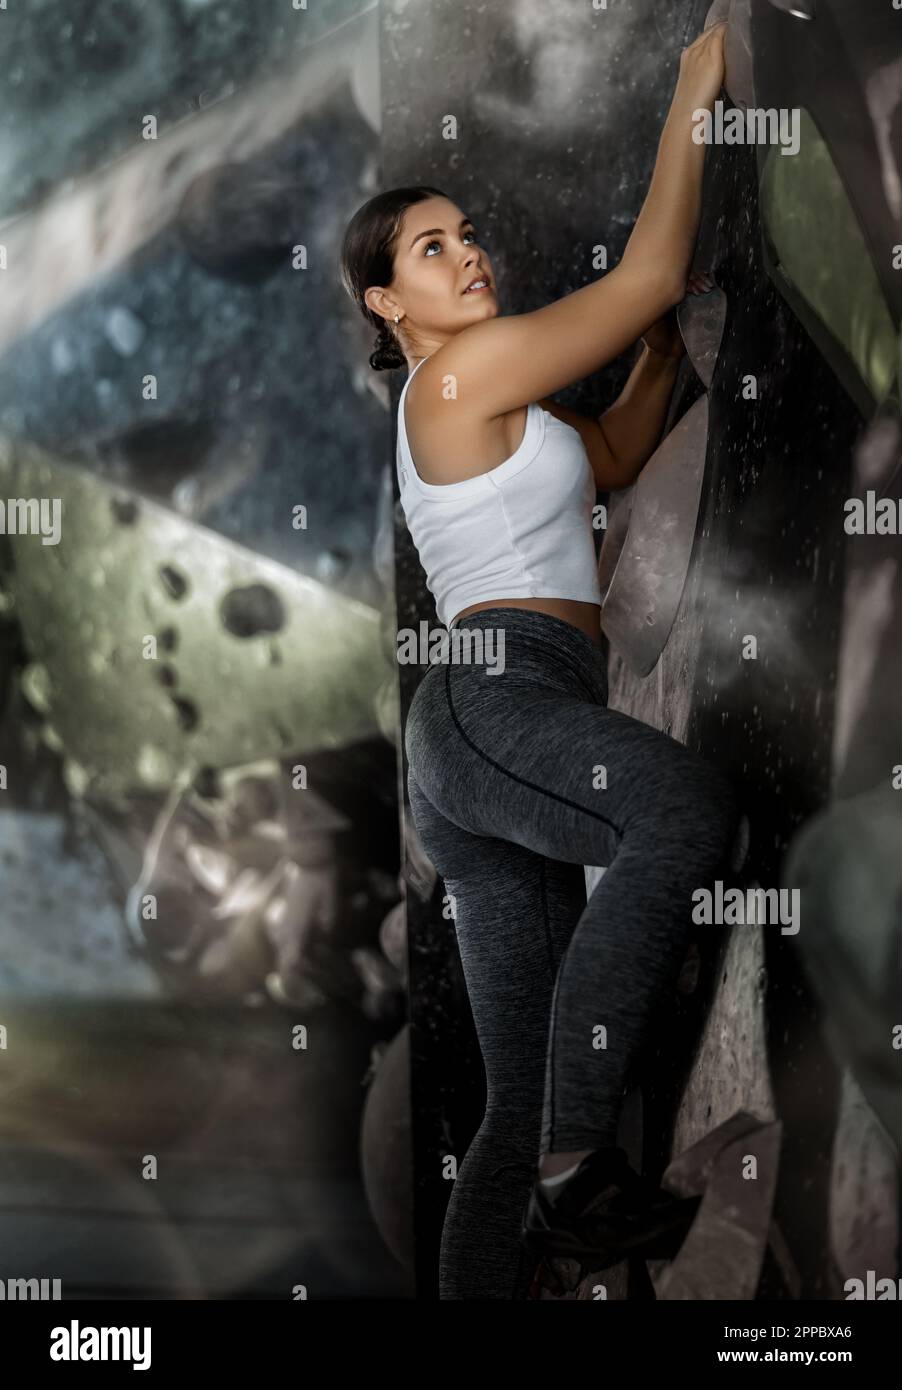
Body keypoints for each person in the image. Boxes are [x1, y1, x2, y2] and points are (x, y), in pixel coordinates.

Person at [341, 21, 739, 1299]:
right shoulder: (455, 377)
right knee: (681, 809)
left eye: (466, 233)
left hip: (489, 727)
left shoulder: (489, 393)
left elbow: (610, 460)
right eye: (430, 247)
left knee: (504, 1112)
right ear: (385, 303)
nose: (467, 254)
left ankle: (533, 1187)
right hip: (493, 697)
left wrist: (665, 351)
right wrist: (692, 87)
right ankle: (578, 1172)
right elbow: (649, 269)